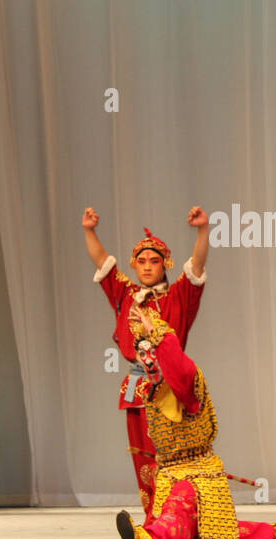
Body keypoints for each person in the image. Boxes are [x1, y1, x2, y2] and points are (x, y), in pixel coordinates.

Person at [114, 307, 276, 539]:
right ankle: (275, 530)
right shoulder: (151, 393)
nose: (149, 359)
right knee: (209, 535)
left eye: (154, 352)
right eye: (143, 354)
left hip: (196, 477)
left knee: (175, 515)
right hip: (168, 475)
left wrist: (157, 331)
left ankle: (147, 538)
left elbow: (178, 367)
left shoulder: (187, 385)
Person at [83, 206, 209, 517]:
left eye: (154, 261)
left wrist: (202, 230)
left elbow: (197, 266)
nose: (147, 267)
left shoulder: (178, 296)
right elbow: (102, 263)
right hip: (138, 389)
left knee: (172, 455)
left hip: (169, 387)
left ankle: (178, 515)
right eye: (141, 261)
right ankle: (154, 517)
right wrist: (89, 231)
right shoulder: (126, 294)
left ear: (165, 264)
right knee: (143, 458)